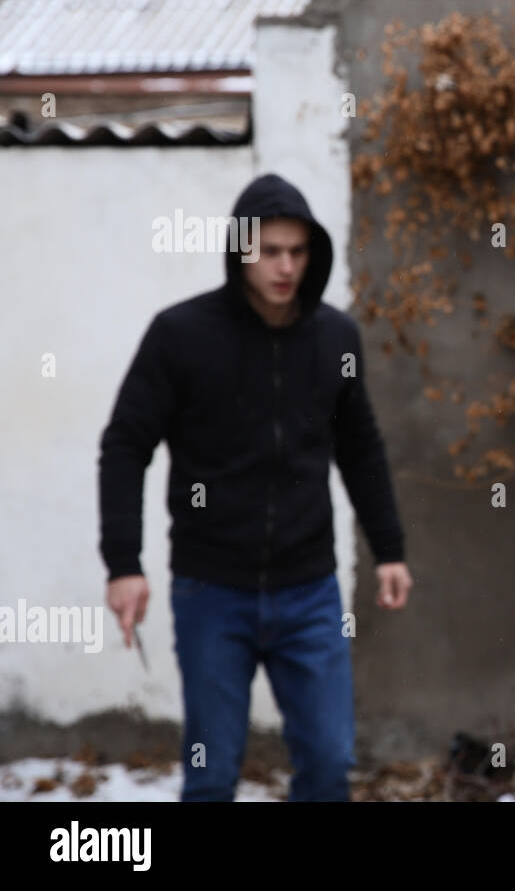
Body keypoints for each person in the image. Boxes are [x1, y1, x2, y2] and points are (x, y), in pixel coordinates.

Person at [98, 172, 413, 801]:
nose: (284, 266)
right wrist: (123, 563)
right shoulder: (181, 336)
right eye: (269, 251)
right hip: (212, 591)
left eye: (296, 252)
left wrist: (390, 549)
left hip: (309, 594)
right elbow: (125, 445)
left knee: (327, 766)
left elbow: (361, 449)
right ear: (240, 250)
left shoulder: (336, 339)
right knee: (212, 776)